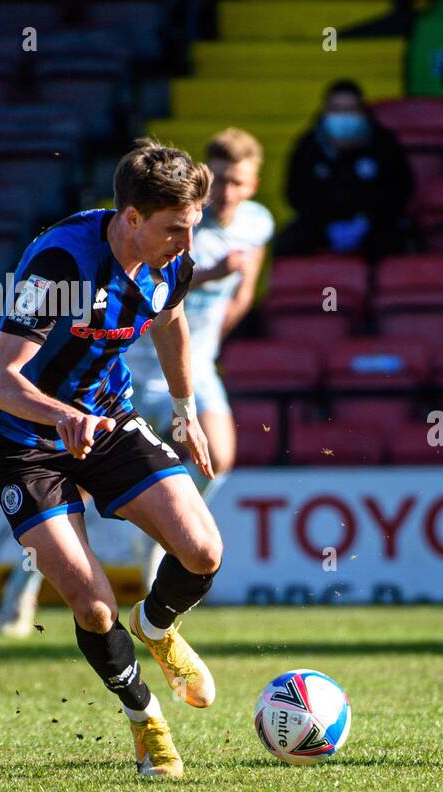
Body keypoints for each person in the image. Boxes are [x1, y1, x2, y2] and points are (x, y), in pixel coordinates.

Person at [0, 138, 223, 778]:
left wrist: (185, 408)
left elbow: (169, 321)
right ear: (131, 219)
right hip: (22, 442)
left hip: (106, 420)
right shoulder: (60, 267)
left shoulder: (175, 264)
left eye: (193, 228)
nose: (187, 245)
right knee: (91, 606)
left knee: (202, 551)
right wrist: (61, 416)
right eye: (175, 230)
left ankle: (160, 627)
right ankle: (145, 720)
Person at [125, 128, 272, 587]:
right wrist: (210, 274)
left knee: (219, 458)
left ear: (253, 185)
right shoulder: (181, 221)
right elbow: (155, 288)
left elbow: (243, 293)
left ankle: (162, 531)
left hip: (194, 366)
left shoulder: (257, 224)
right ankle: (22, 586)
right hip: (136, 363)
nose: (228, 192)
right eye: (222, 180)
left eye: (239, 182)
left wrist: (204, 348)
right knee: (82, 484)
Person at [272, 79, 413, 258]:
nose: (344, 118)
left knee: (395, 244)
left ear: (362, 112)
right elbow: (294, 193)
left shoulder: (382, 143)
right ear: (325, 112)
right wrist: (325, 222)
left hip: (374, 224)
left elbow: (402, 189)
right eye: (337, 110)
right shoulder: (308, 146)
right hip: (321, 224)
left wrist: (366, 221)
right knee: (286, 244)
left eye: (350, 110)